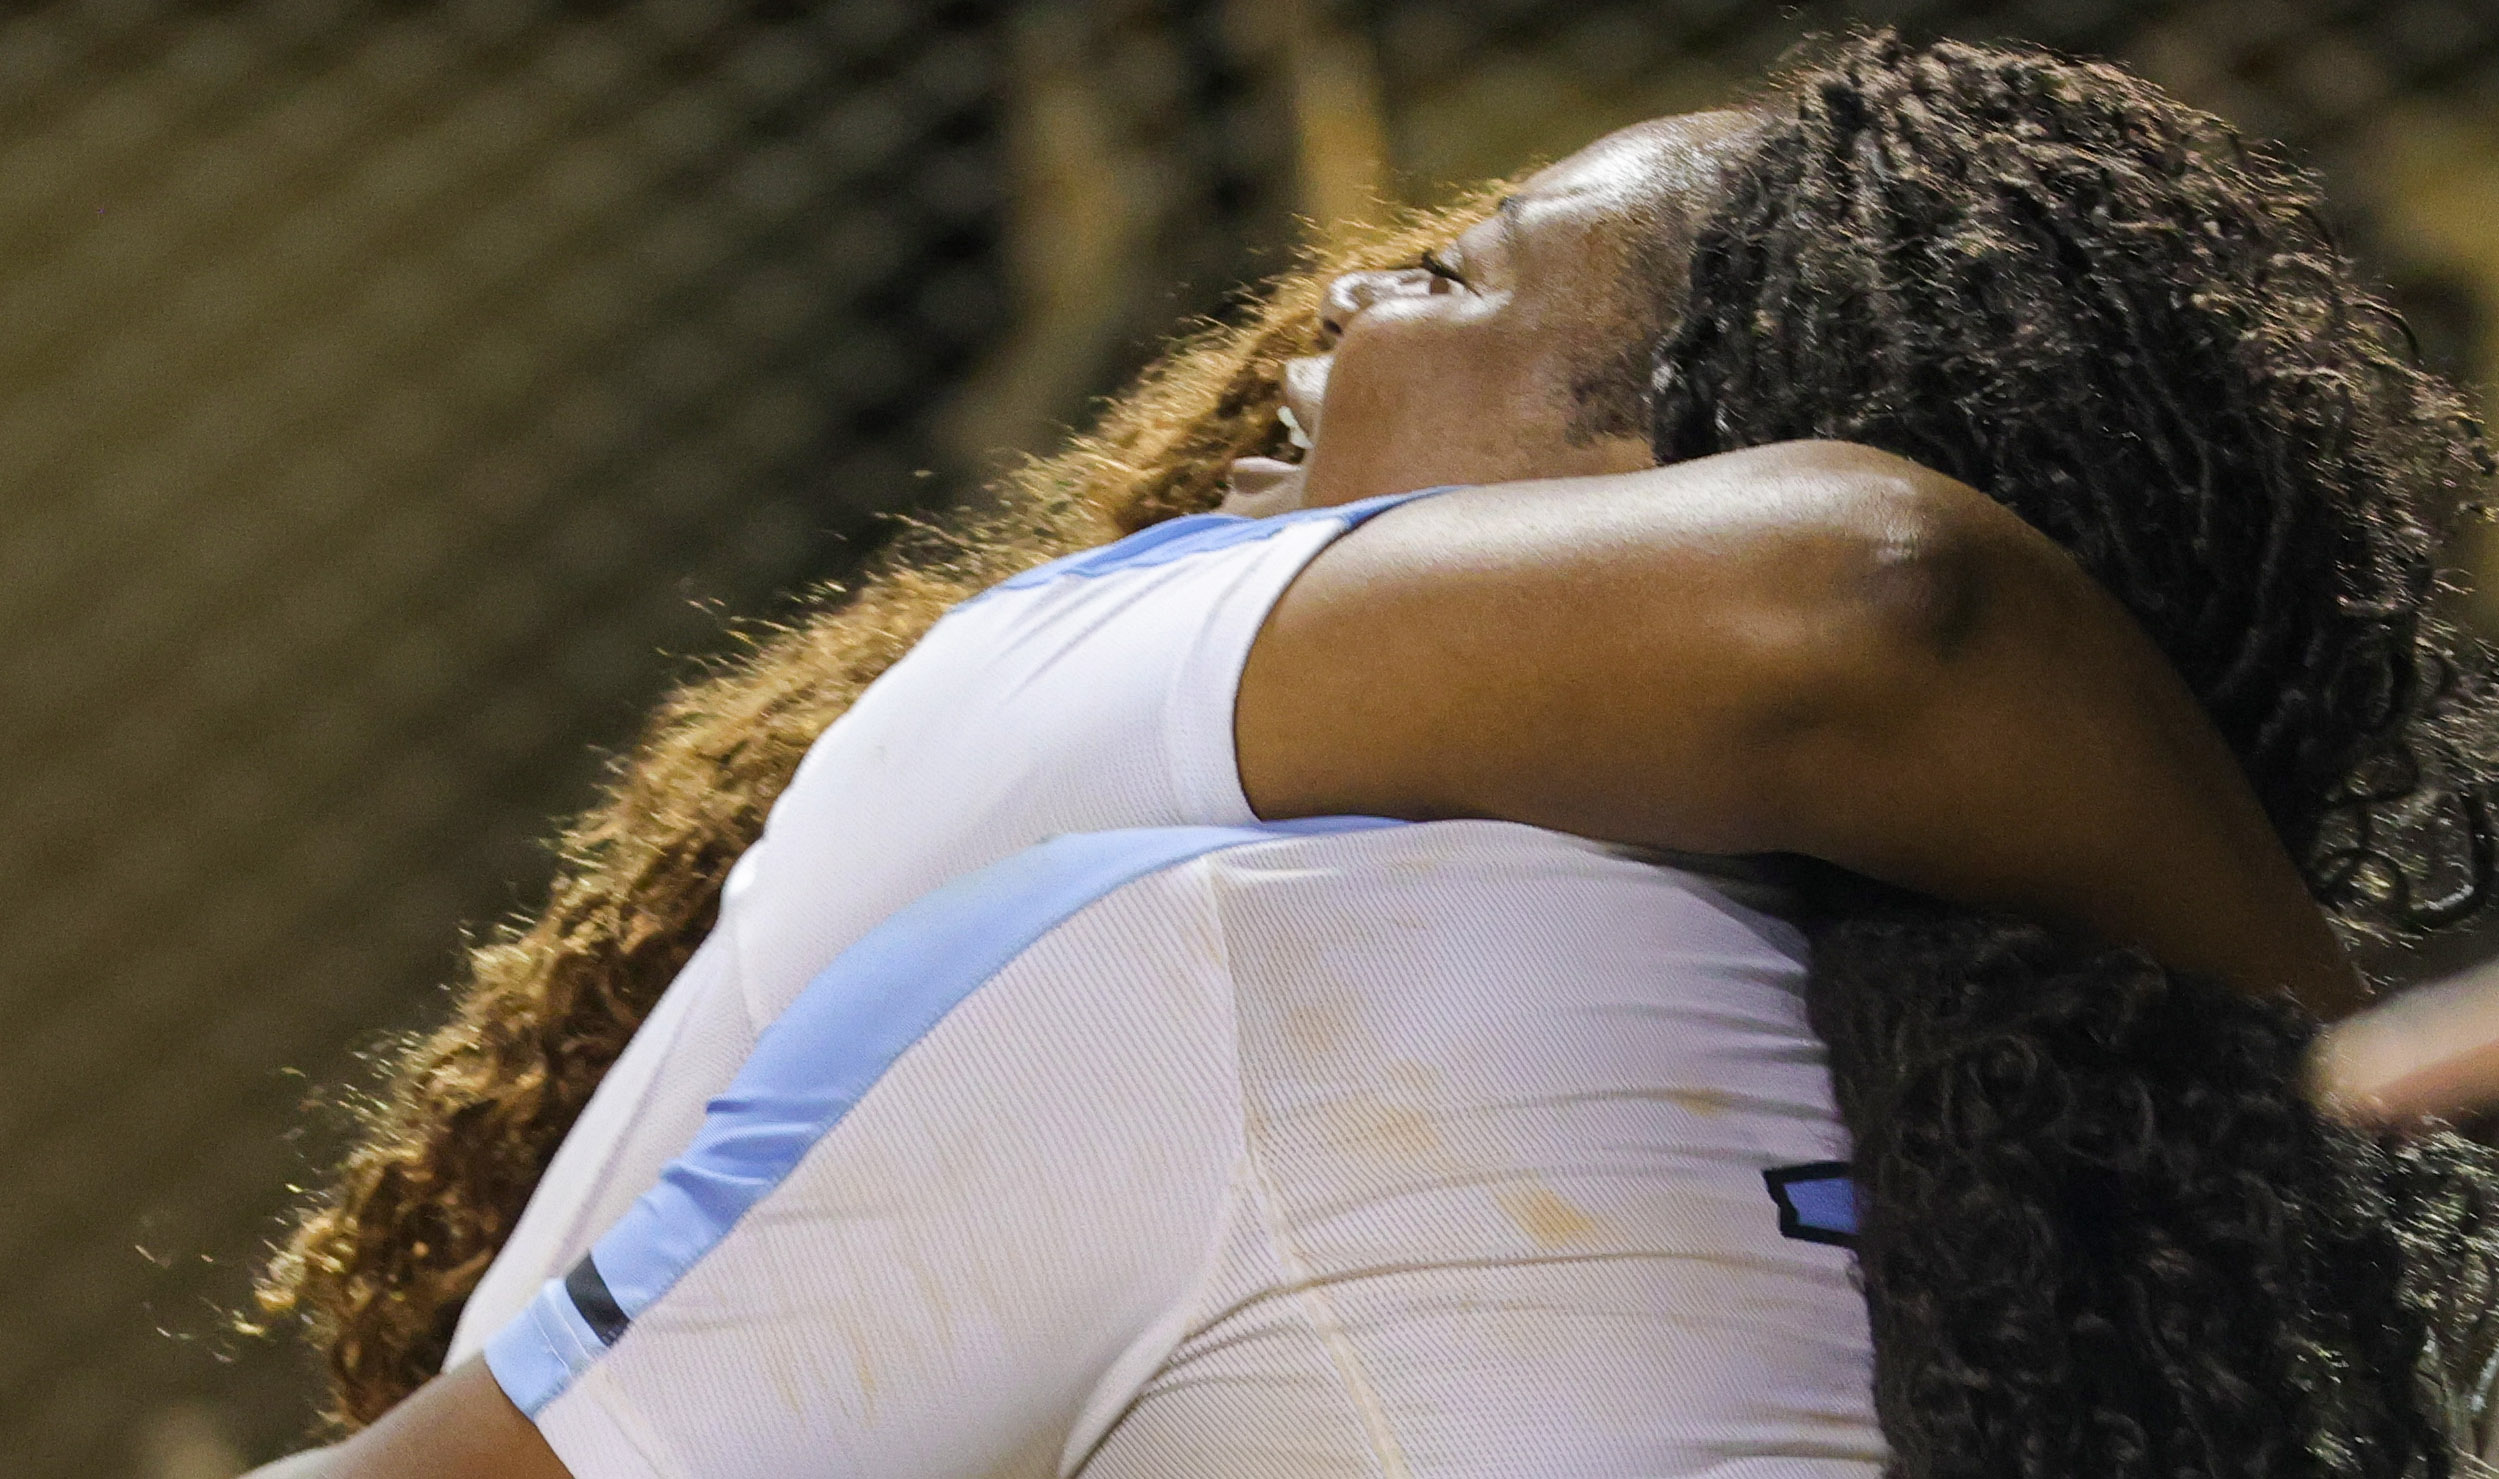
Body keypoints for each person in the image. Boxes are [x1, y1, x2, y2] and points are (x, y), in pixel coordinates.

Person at [244, 33, 2499, 1479]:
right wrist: (2300, 1121)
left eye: (1455, 279)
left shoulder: (1254, 893)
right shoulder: (1992, 1158)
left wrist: (2316, 1110)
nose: (1338, 297)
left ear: (1653, 493)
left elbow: (1892, 607)